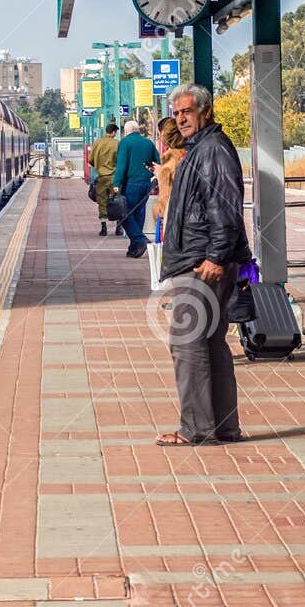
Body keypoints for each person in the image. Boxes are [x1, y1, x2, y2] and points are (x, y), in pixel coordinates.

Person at [156, 85, 250, 446]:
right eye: (177, 113)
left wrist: (216, 255)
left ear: (205, 112)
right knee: (210, 344)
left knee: (188, 345)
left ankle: (196, 429)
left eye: (187, 112)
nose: (181, 119)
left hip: (202, 263)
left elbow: (225, 208)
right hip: (201, 258)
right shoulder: (202, 150)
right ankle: (223, 427)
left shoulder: (212, 151)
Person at [111, 118, 158, 259]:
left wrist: (116, 183)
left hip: (131, 183)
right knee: (138, 213)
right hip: (146, 184)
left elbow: (121, 165)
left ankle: (140, 240)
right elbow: (157, 162)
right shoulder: (148, 143)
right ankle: (134, 248)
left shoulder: (125, 143)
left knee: (124, 215)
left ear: (126, 131)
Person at [151, 116, 185, 230]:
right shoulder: (189, 153)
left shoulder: (170, 161)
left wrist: (160, 173)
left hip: (172, 216)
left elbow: (166, 195)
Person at [87, 124, 120, 236]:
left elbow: (90, 159)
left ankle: (104, 228)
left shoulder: (97, 143)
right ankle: (118, 227)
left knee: (102, 202)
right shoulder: (117, 143)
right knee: (117, 201)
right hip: (115, 177)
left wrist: (99, 166)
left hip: (101, 177)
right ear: (114, 132)